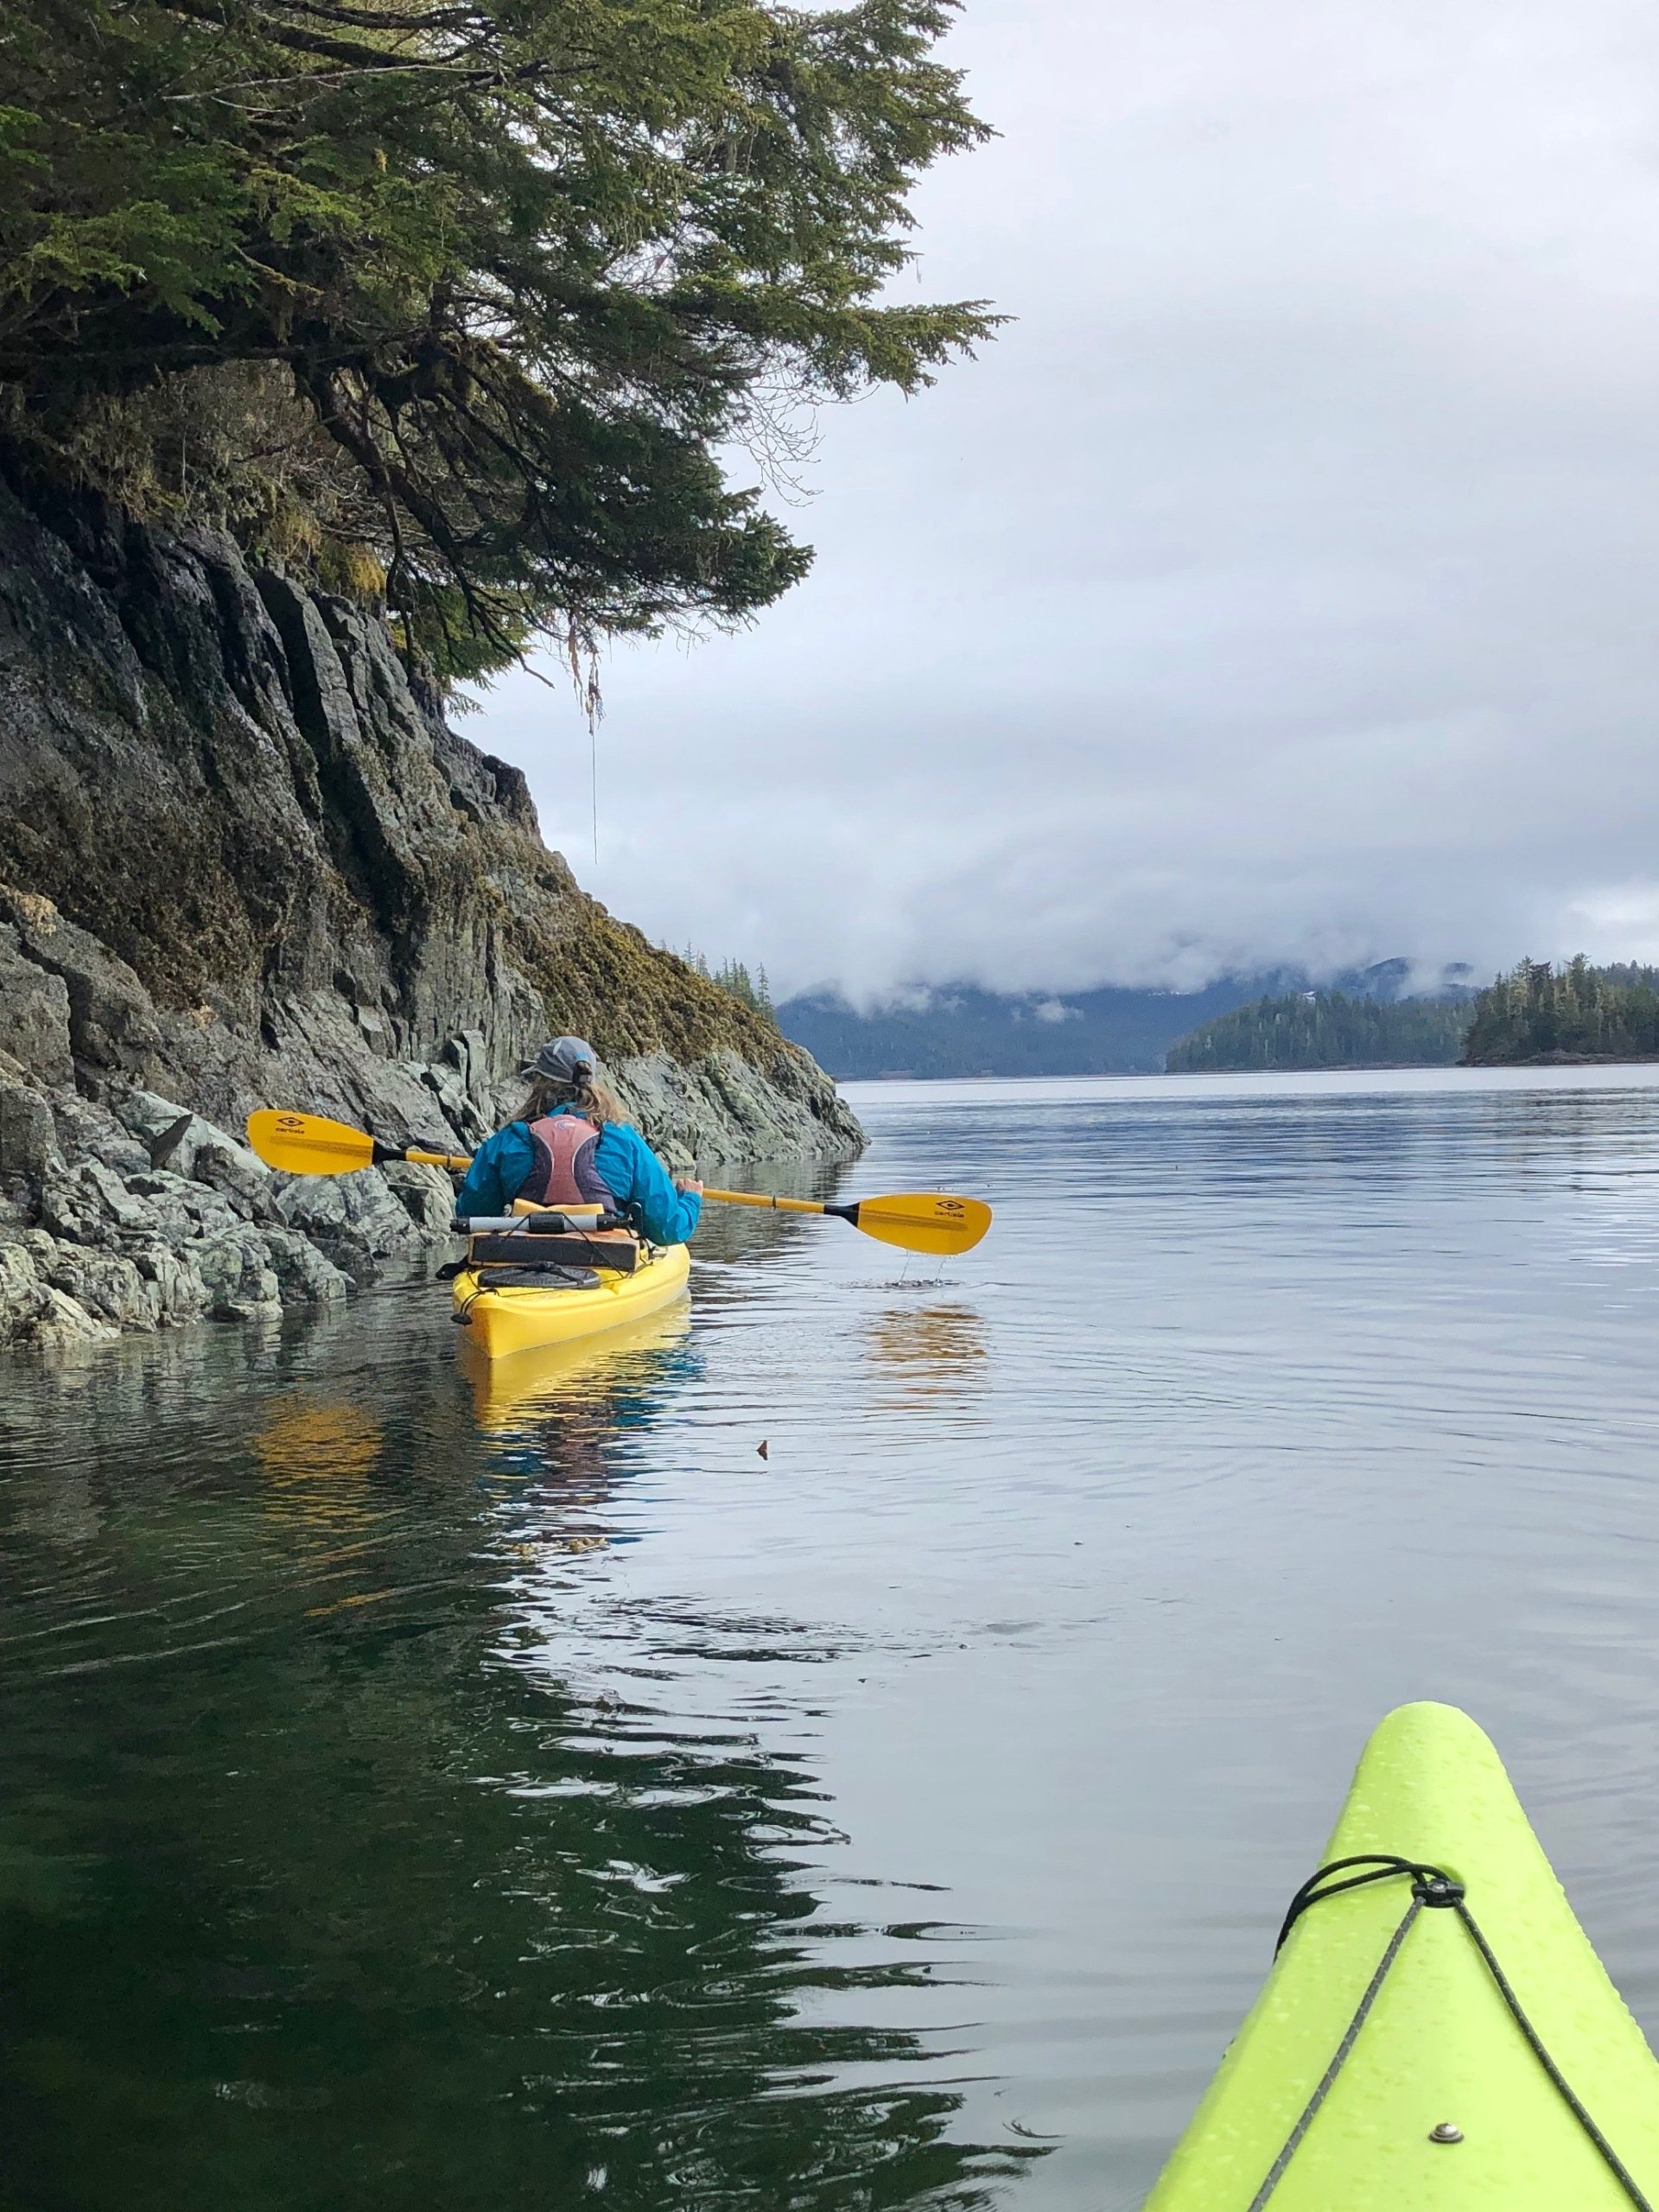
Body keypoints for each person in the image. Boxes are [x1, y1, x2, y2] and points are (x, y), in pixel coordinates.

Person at [454, 1036, 702, 1244]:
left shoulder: (509, 1139)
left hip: (523, 1256)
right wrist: (689, 1199)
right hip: (607, 1259)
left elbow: (473, 1215)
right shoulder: (622, 1138)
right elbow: (669, 1230)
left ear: (539, 1082)